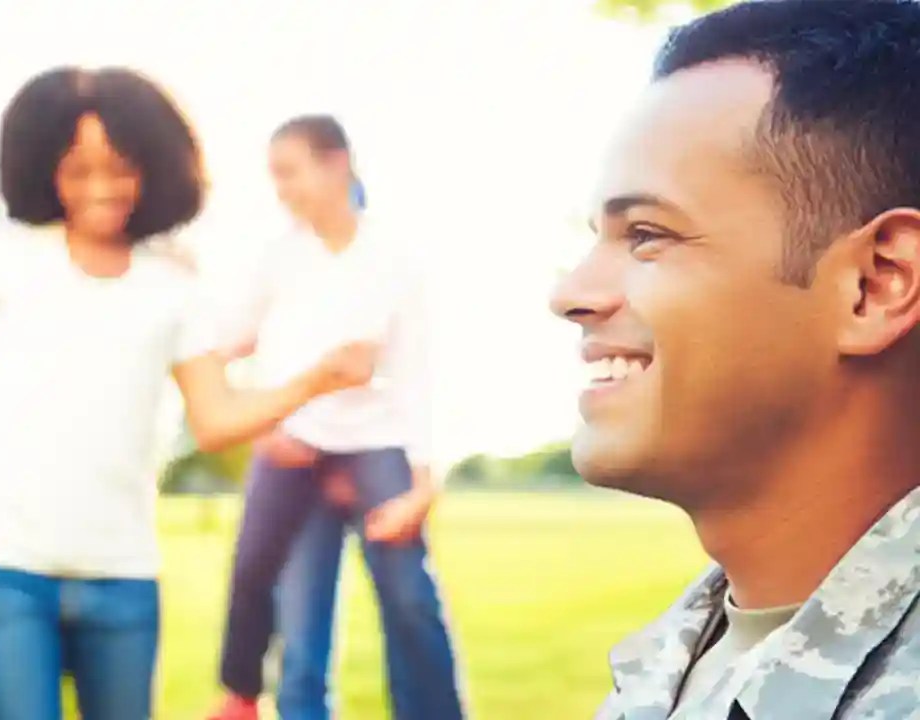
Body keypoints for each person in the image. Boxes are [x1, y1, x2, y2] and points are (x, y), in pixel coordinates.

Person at [0, 66, 377, 720]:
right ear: (43, 169)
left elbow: (215, 418)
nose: (100, 188)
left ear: (155, 167)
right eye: (77, 169)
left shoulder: (174, 287)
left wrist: (316, 380)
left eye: (119, 168)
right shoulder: (6, 254)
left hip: (121, 570)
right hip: (3, 562)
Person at [548, 2, 920, 718]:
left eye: (648, 235)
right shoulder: (677, 663)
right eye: (598, 235)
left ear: (877, 284)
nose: (571, 295)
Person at [209, 115, 462, 720]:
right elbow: (221, 346)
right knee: (299, 625)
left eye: (290, 172)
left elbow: (416, 375)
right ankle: (246, 697)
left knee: (409, 601)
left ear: (337, 163)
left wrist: (424, 484)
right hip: (295, 447)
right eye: (275, 177)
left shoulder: (394, 259)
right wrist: (263, 423)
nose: (282, 190)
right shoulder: (278, 258)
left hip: (377, 447)